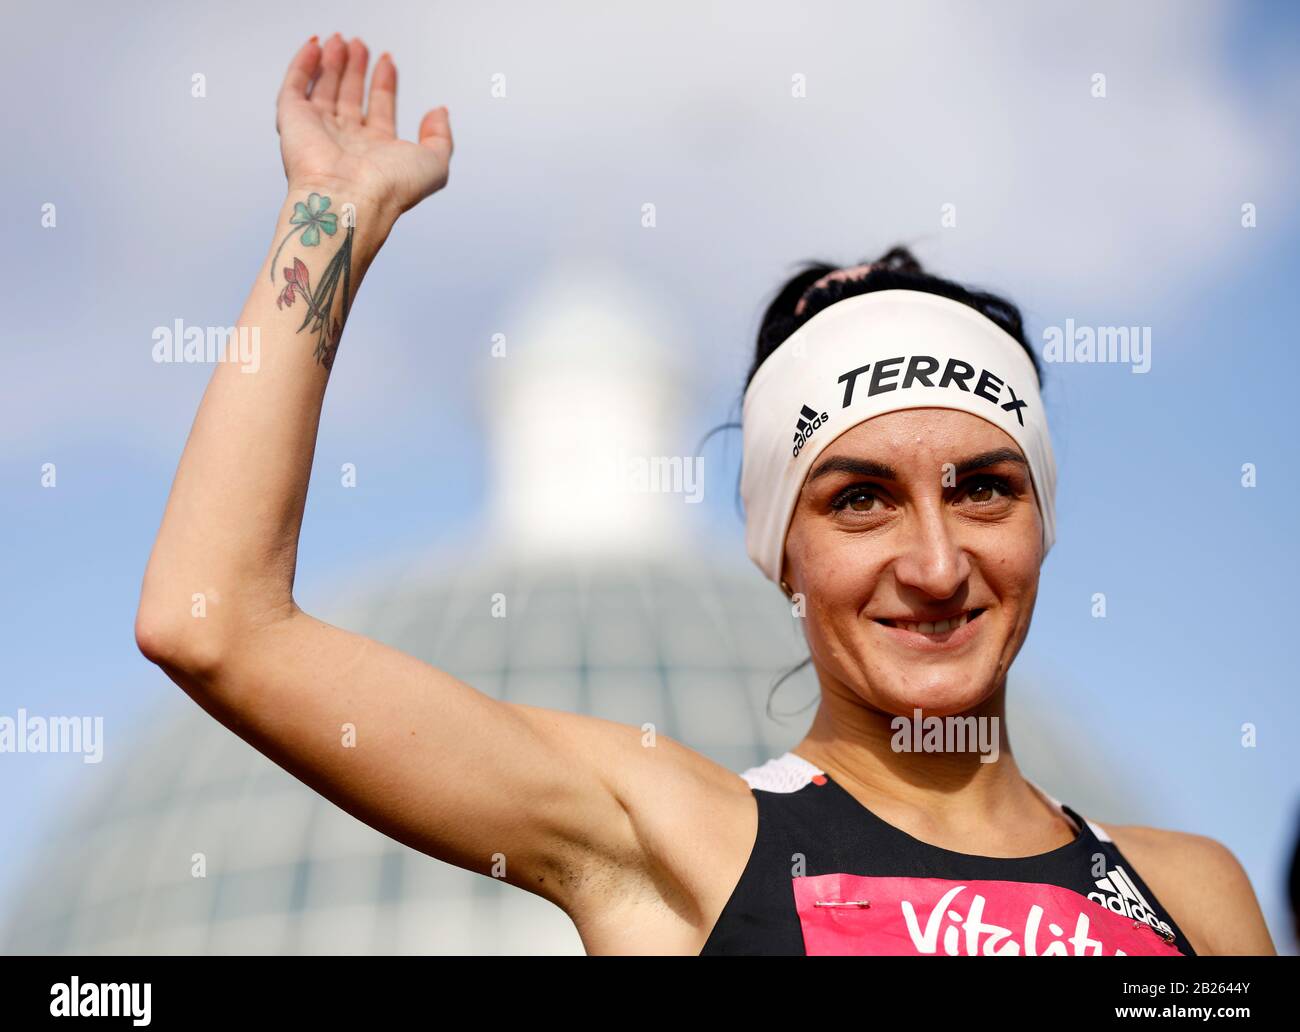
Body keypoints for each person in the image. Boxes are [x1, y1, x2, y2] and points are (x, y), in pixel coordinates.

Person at [135, 33, 1276, 956]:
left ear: (1041, 520)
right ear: (779, 546)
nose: (934, 563)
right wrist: (333, 212)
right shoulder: (680, 839)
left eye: (982, 489)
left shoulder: (1193, 899)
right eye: (858, 500)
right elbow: (212, 621)